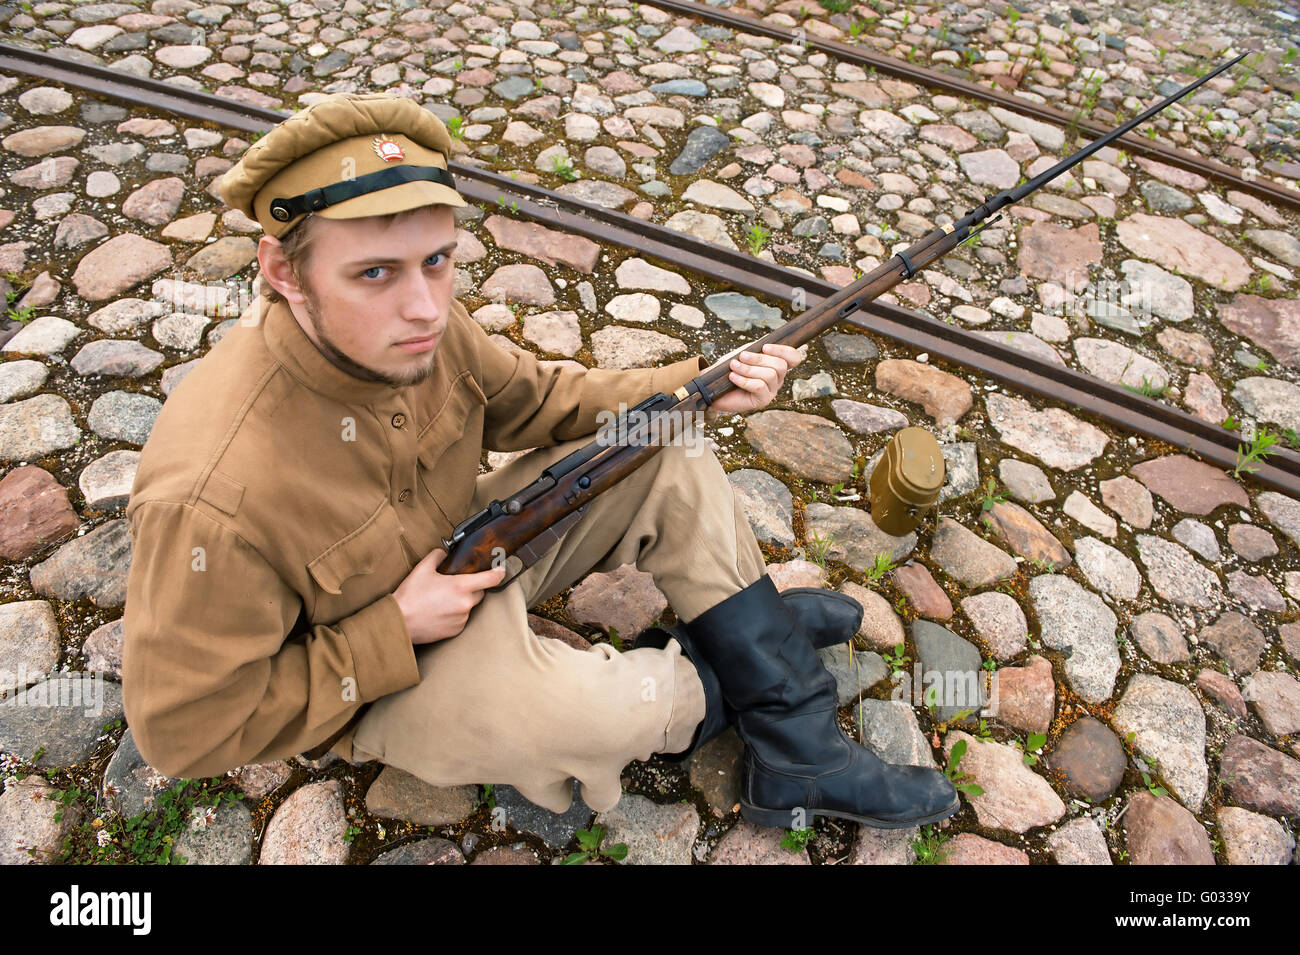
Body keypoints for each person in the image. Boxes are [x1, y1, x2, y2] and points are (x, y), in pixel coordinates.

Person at [122, 92, 957, 830]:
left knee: (661, 448)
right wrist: (391, 629)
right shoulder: (210, 496)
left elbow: (541, 400)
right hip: (371, 682)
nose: (424, 306)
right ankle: (742, 654)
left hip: (471, 552)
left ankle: (793, 743)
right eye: (374, 272)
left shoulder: (419, 328)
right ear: (283, 271)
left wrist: (700, 386)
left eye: (438, 261)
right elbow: (185, 729)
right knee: (603, 712)